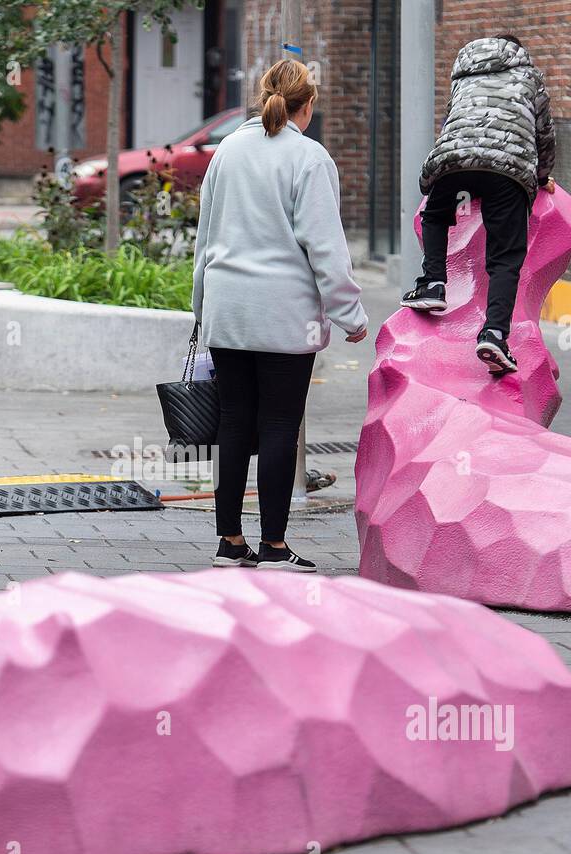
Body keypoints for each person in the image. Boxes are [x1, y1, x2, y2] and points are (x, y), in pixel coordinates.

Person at [192, 58, 369, 574]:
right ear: (306, 106)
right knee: (278, 428)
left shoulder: (225, 151)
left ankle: (229, 541)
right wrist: (350, 315)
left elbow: (204, 241)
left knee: (233, 424)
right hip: (283, 314)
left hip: (228, 309)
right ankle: (272, 546)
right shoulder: (308, 157)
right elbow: (325, 245)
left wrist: (202, 309)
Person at [401, 33, 556, 375]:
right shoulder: (529, 77)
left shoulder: (464, 74)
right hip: (507, 169)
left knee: (436, 213)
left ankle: (433, 283)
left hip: (453, 160)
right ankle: (495, 335)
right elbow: (544, 133)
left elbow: (451, 125)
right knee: (504, 258)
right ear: (519, 51)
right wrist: (542, 177)